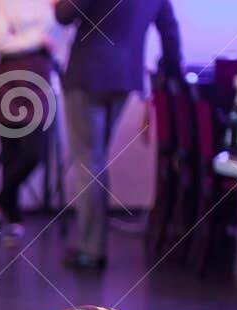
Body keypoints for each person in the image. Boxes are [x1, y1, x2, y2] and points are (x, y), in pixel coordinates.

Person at [56, 0, 182, 271]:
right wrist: (172, 67)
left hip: (88, 73)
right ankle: (93, 244)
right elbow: (170, 29)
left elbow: (64, 14)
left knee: (89, 161)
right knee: (97, 159)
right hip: (125, 76)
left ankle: (91, 250)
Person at [0, 0, 60, 240]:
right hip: (10, 77)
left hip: (41, 78)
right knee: (10, 153)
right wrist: (36, 40)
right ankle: (12, 217)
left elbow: (59, 34)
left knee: (35, 153)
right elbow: (1, 41)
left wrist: (22, 37)